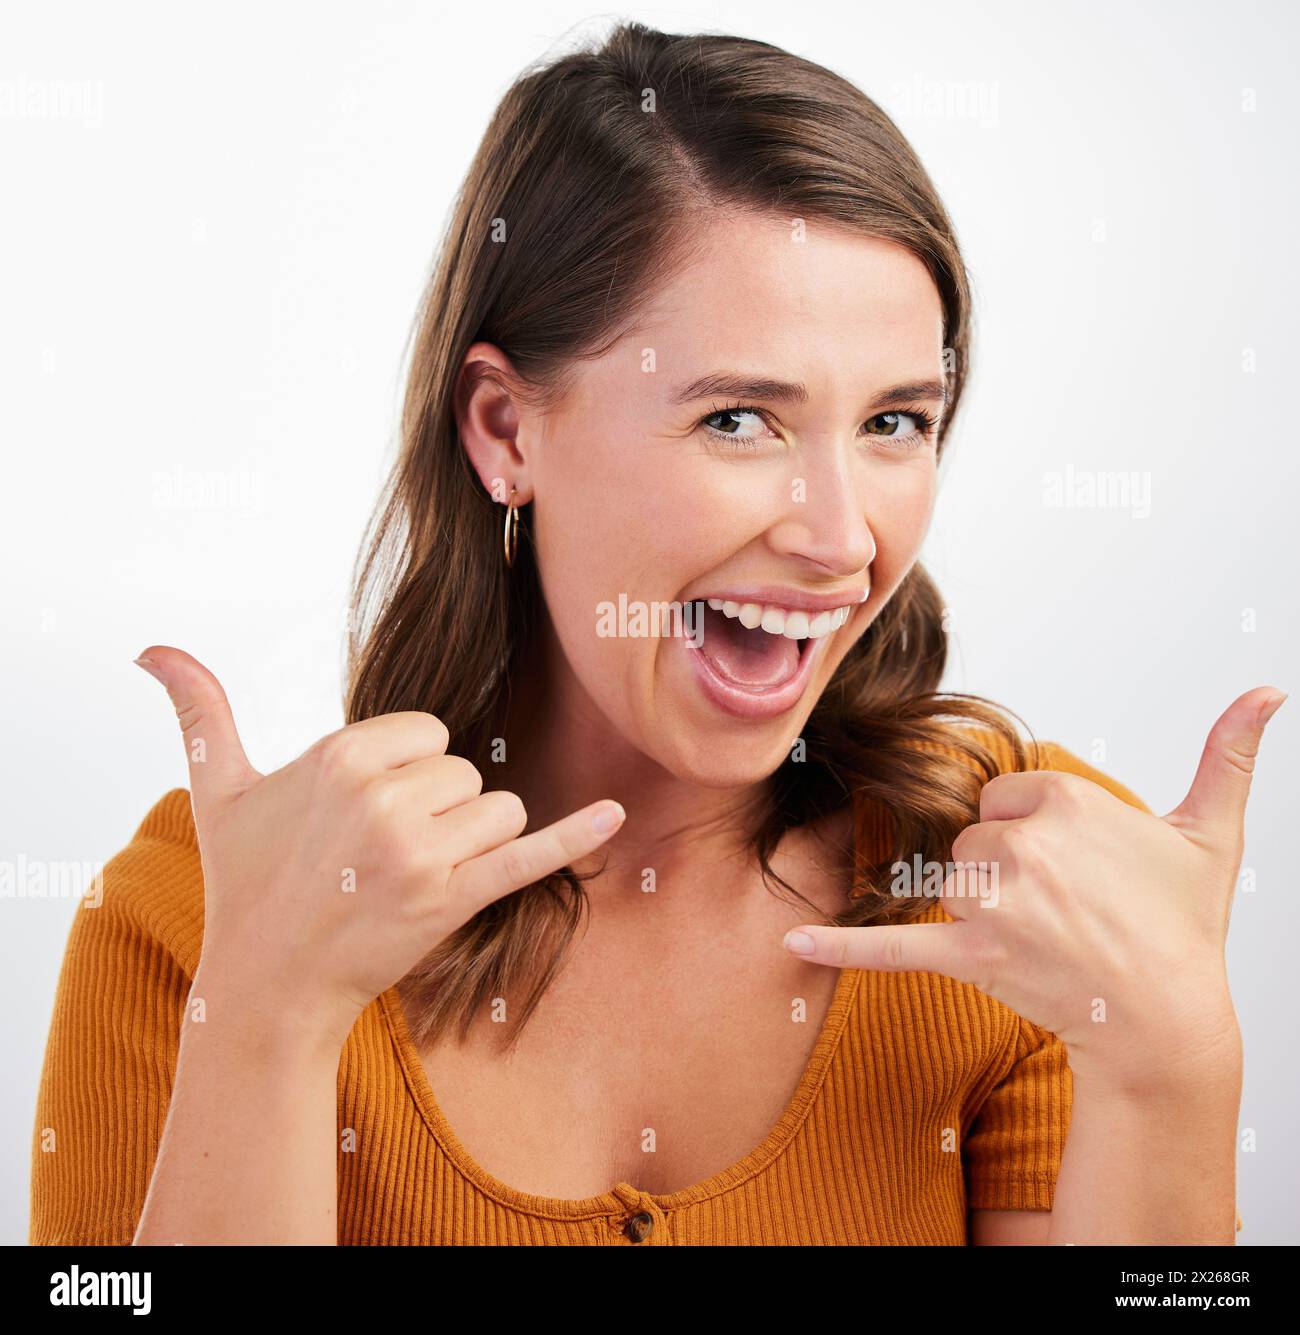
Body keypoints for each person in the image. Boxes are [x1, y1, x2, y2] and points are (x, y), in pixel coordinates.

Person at [30, 20, 1280, 1246]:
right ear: (507, 431)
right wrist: (266, 1014)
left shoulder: (1018, 890)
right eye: (740, 419)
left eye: (896, 422)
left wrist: (1172, 1061)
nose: (843, 539)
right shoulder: (208, 918)